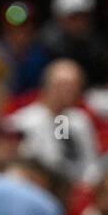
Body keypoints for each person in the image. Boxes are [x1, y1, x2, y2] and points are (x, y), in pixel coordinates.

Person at [8, 58, 101, 187]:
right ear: (47, 85)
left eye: (75, 86)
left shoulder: (79, 120)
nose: (70, 91)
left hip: (76, 190)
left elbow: (91, 163)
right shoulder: (23, 122)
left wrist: (86, 185)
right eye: (64, 85)